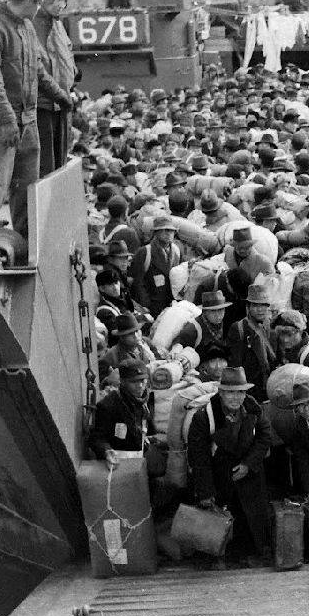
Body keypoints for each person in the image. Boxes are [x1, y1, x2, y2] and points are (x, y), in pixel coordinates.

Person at [0, 0, 72, 255]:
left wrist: (61, 95)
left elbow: (37, 70)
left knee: (27, 185)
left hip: (27, 119)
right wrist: (7, 121)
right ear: (30, 1)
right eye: (39, 3)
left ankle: (24, 238)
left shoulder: (25, 26)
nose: (40, 9)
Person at [186, 366, 272, 566]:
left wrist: (248, 465)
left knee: (254, 516)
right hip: (219, 472)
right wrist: (206, 492)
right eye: (231, 393)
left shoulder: (253, 409)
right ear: (221, 392)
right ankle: (218, 555)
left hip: (248, 468)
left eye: (240, 392)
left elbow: (264, 437)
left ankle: (256, 552)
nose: (236, 398)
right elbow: (198, 457)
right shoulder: (204, 416)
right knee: (219, 516)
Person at [34, 0, 77, 176]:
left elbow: (66, 54)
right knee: (47, 163)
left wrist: (73, 75)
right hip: (44, 104)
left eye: (65, 0)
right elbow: (37, 68)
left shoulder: (57, 24)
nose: (62, 4)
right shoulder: (34, 25)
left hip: (61, 101)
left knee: (60, 159)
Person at [226, 284, 276, 402]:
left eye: (263, 305)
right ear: (248, 307)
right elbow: (235, 364)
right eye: (255, 305)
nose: (260, 309)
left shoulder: (268, 325)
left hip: (268, 386)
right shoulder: (238, 328)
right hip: (249, 389)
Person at [130, 216, 182, 319]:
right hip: (152, 306)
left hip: (171, 304)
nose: (169, 233)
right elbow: (138, 282)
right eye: (165, 230)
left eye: (171, 231)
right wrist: (146, 305)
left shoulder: (177, 250)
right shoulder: (145, 252)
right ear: (156, 233)